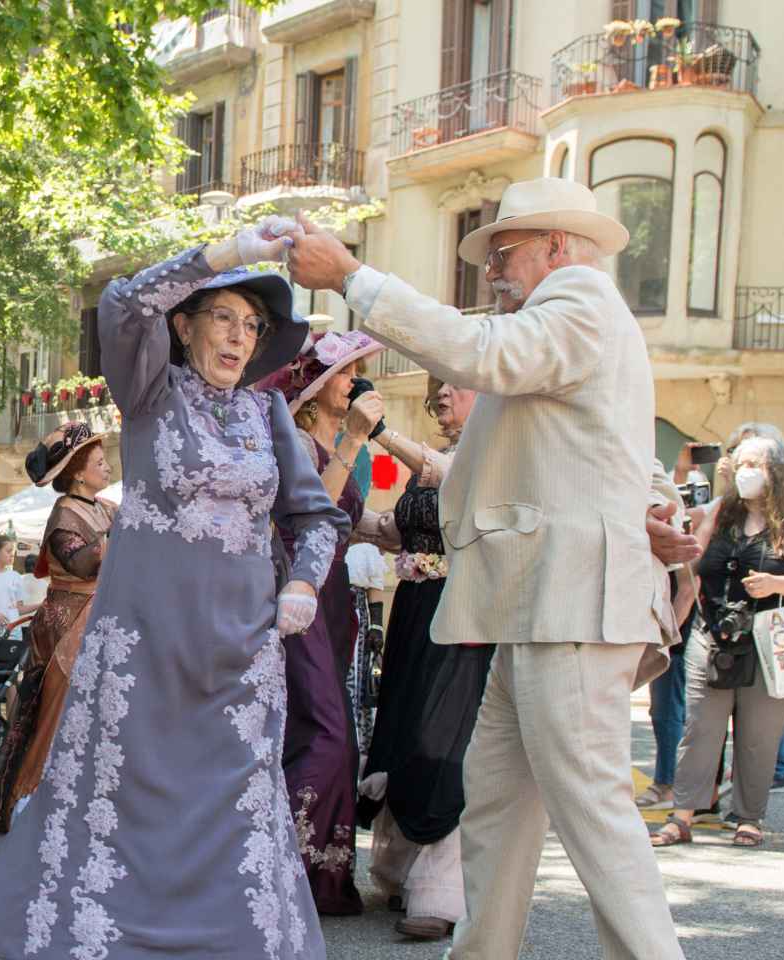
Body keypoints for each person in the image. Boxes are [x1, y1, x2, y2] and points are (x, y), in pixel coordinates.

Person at [287, 178, 693, 960]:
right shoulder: (564, 321)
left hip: (566, 604)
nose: (493, 268)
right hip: (540, 604)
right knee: (497, 808)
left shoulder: (577, 303)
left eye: (505, 250)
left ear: (559, 247)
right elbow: (600, 449)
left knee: (593, 813)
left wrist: (351, 277)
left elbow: (482, 356)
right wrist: (653, 502)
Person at [0, 217, 349, 959]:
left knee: (229, 808)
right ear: (186, 327)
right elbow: (123, 305)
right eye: (221, 317)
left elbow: (318, 519)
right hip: (146, 648)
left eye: (252, 325)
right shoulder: (150, 395)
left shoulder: (269, 416)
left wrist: (302, 586)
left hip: (242, 653)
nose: (236, 337)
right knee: (130, 802)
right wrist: (228, 254)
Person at [350, 375, 488, 943]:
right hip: (415, 611)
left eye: (456, 386)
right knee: (403, 738)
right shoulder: (434, 460)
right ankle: (404, 871)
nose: (443, 396)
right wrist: (330, 503)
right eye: (439, 389)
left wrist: (377, 431)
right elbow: (394, 530)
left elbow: (446, 477)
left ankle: (443, 891)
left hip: (466, 620)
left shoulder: (495, 450)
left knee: (443, 744)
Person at [258, 329, 389, 916]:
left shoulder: (333, 444)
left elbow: (351, 520)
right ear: (313, 389)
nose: (354, 383)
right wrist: (356, 437)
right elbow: (316, 515)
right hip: (299, 595)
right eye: (344, 373)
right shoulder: (299, 445)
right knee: (325, 735)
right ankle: (277, 868)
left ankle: (320, 875)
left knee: (338, 738)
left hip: (335, 602)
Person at [651, 435, 784, 851]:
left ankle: (749, 817)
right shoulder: (721, 513)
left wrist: (777, 583)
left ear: (777, 473)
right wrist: (671, 628)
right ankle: (682, 816)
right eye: (742, 462)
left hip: (769, 642)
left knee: (759, 735)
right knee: (699, 729)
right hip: (711, 636)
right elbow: (690, 572)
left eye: (757, 464)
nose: (747, 471)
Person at [0, 423, 118, 835]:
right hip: (65, 621)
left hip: (100, 615)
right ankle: (32, 799)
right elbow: (82, 563)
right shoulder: (64, 515)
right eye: (99, 462)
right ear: (77, 472)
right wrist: (121, 535)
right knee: (57, 710)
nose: (107, 466)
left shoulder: (105, 508)